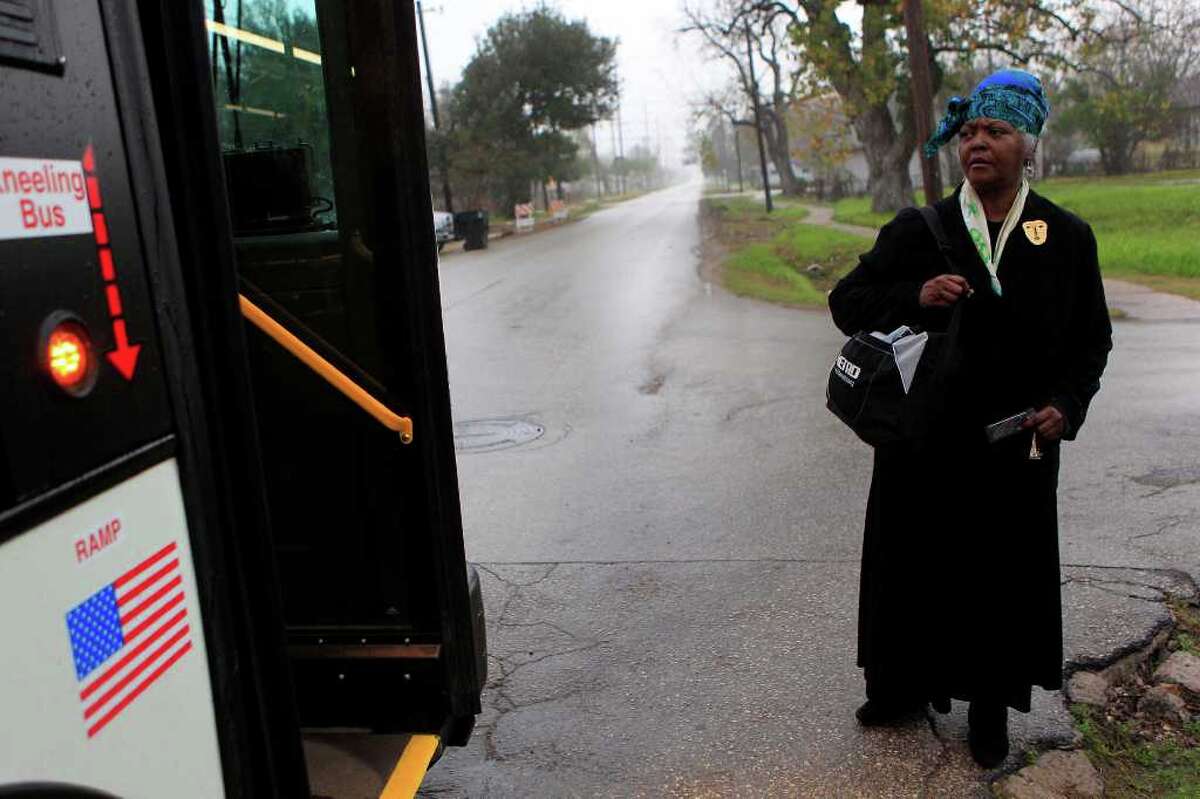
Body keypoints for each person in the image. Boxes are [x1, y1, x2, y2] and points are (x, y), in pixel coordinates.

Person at [827, 69, 1113, 768]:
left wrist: (1067, 406)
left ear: (1028, 146)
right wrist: (913, 294)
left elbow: (1091, 340)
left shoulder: (1066, 237)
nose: (978, 143)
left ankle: (989, 710)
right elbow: (847, 302)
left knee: (999, 580)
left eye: (998, 131)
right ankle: (898, 685)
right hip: (921, 442)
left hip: (1013, 446)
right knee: (909, 567)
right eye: (971, 132)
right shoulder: (920, 229)